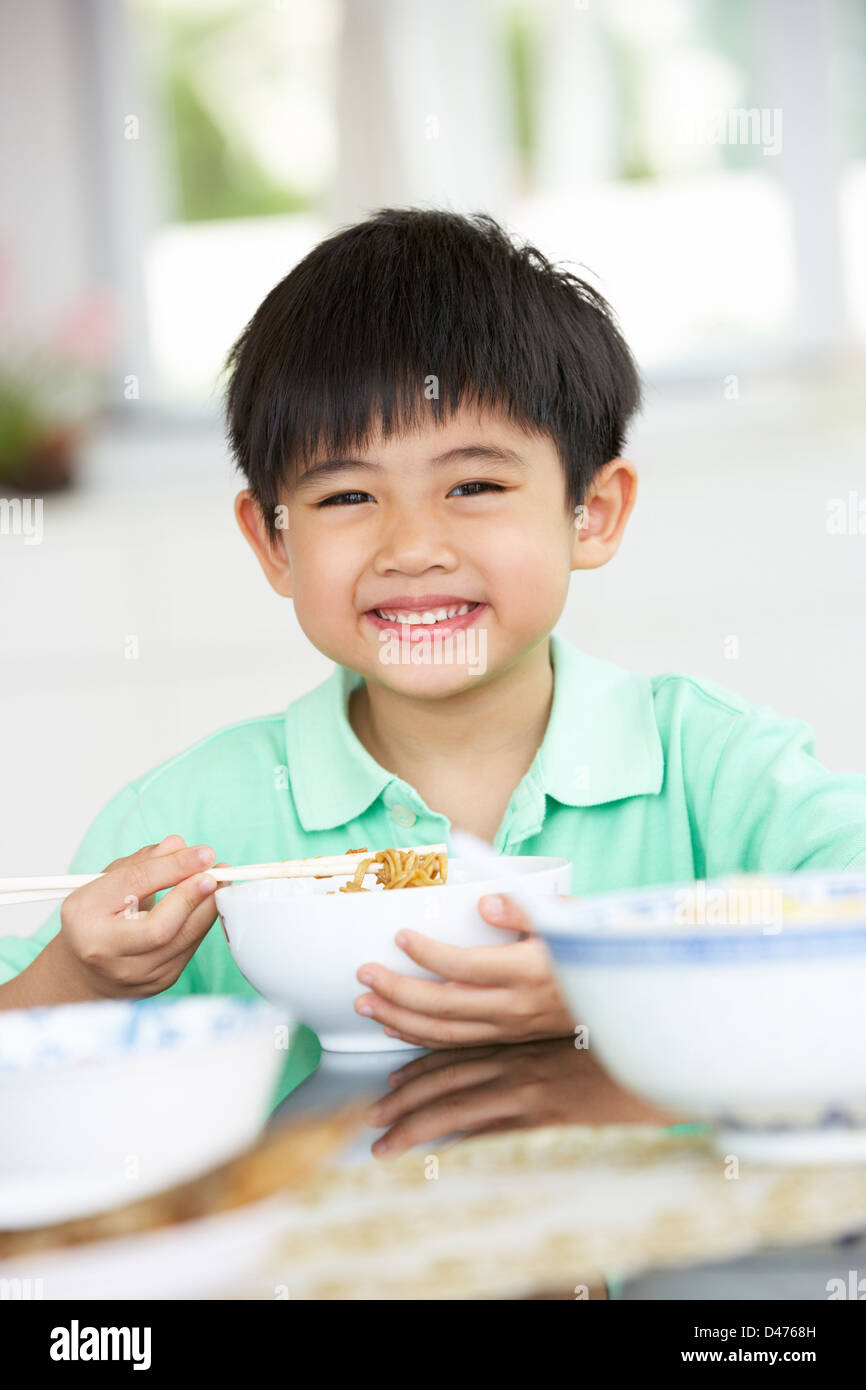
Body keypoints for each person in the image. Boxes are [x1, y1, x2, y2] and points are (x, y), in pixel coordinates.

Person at [3, 208, 865, 1077]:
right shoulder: (193, 824)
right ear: (274, 542)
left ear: (591, 515)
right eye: (346, 497)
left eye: (475, 484)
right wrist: (75, 977)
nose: (412, 548)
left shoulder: (712, 768)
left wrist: (614, 993)